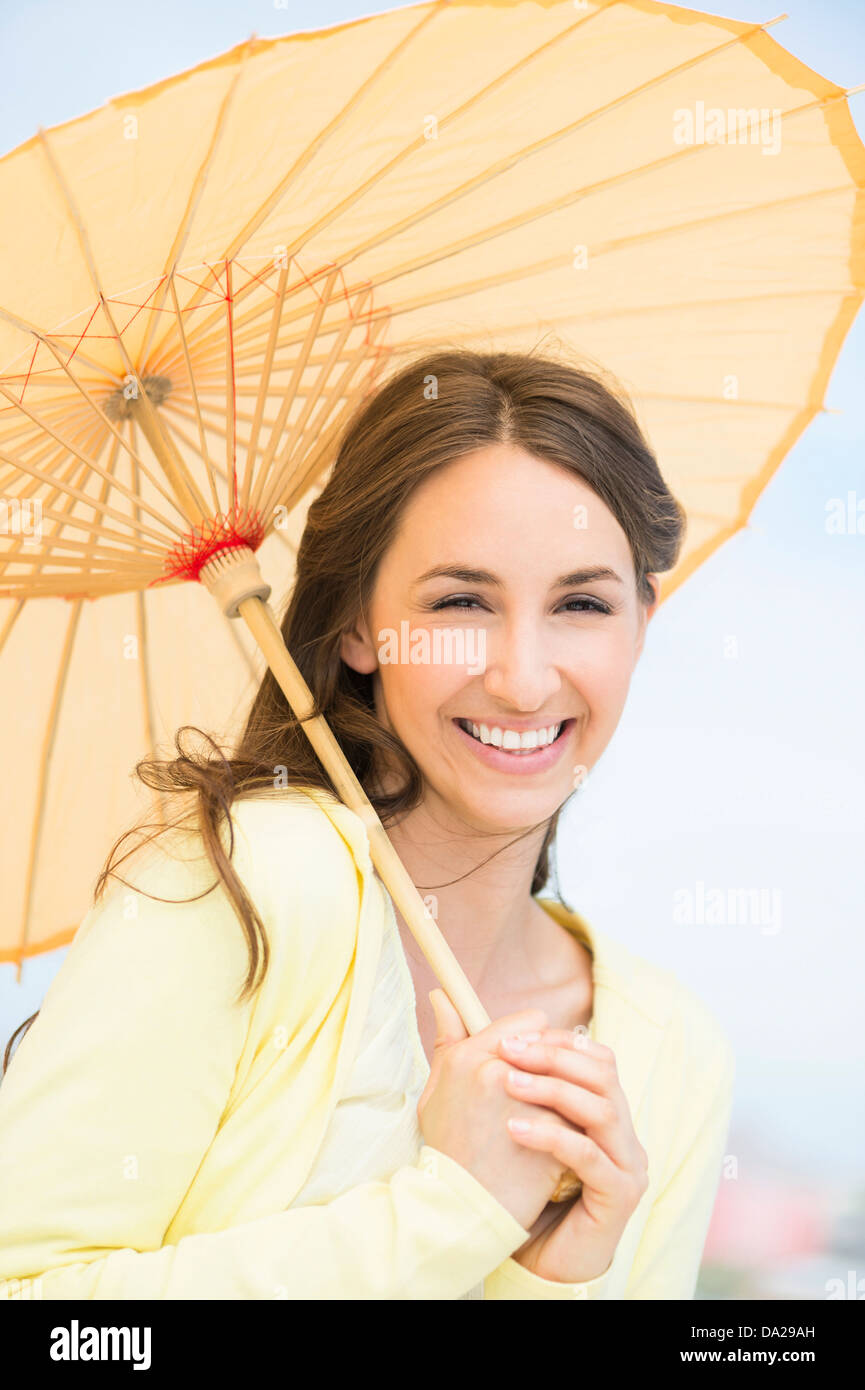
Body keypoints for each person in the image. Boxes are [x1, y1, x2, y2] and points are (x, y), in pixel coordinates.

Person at [0, 347, 734, 1300]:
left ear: (642, 620)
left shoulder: (670, 1048)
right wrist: (451, 1216)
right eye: (460, 602)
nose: (521, 677)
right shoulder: (235, 888)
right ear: (357, 624)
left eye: (581, 603)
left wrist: (552, 1278)